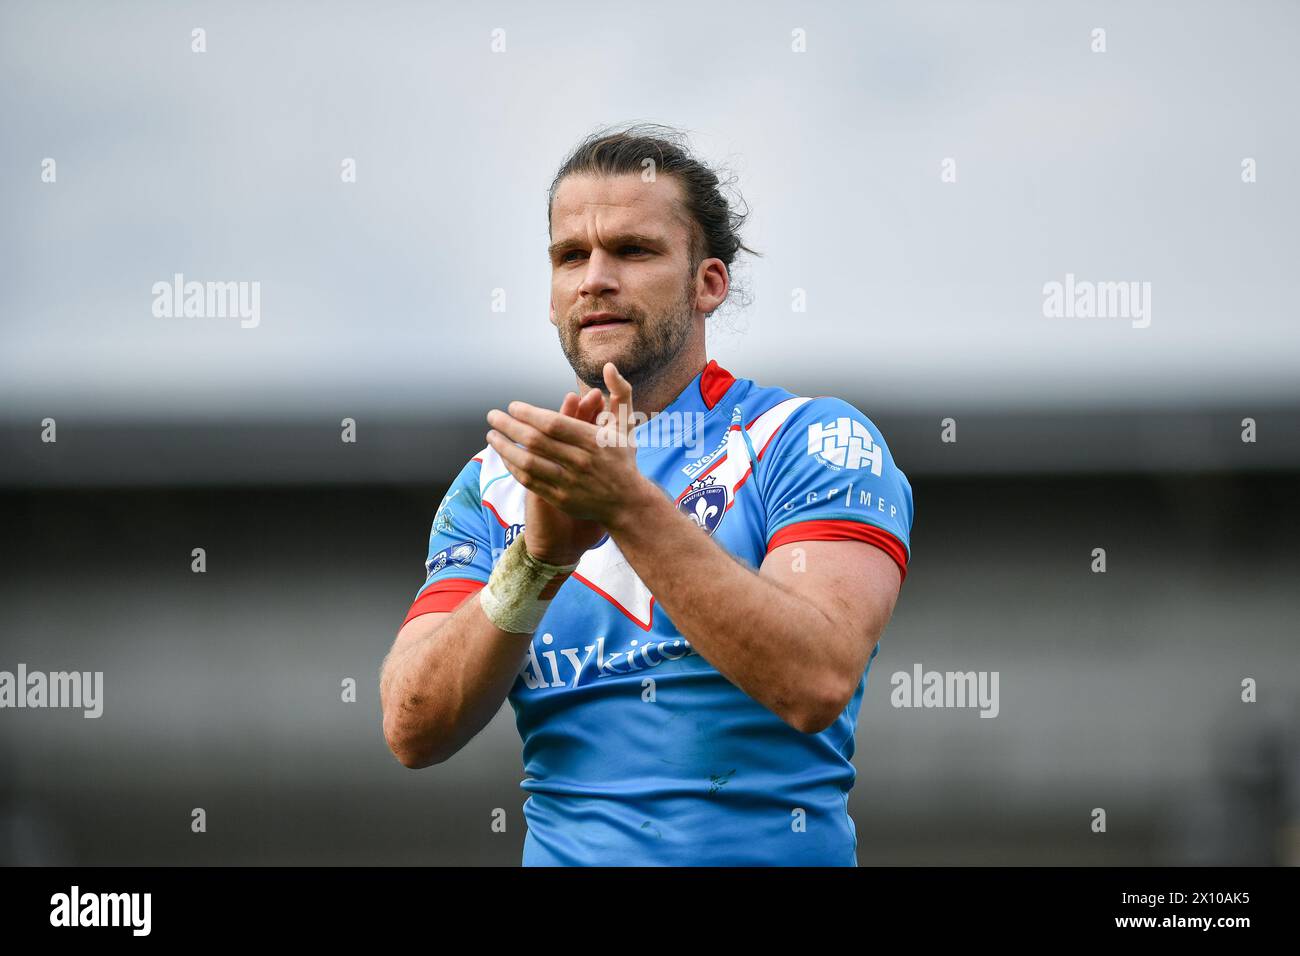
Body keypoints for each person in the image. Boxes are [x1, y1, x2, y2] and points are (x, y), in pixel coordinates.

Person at [380, 123, 914, 865]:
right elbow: (412, 728)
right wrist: (536, 561)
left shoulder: (808, 438)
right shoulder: (496, 484)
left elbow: (815, 679)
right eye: (571, 257)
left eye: (633, 250)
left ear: (709, 283)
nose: (595, 277)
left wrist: (625, 508)